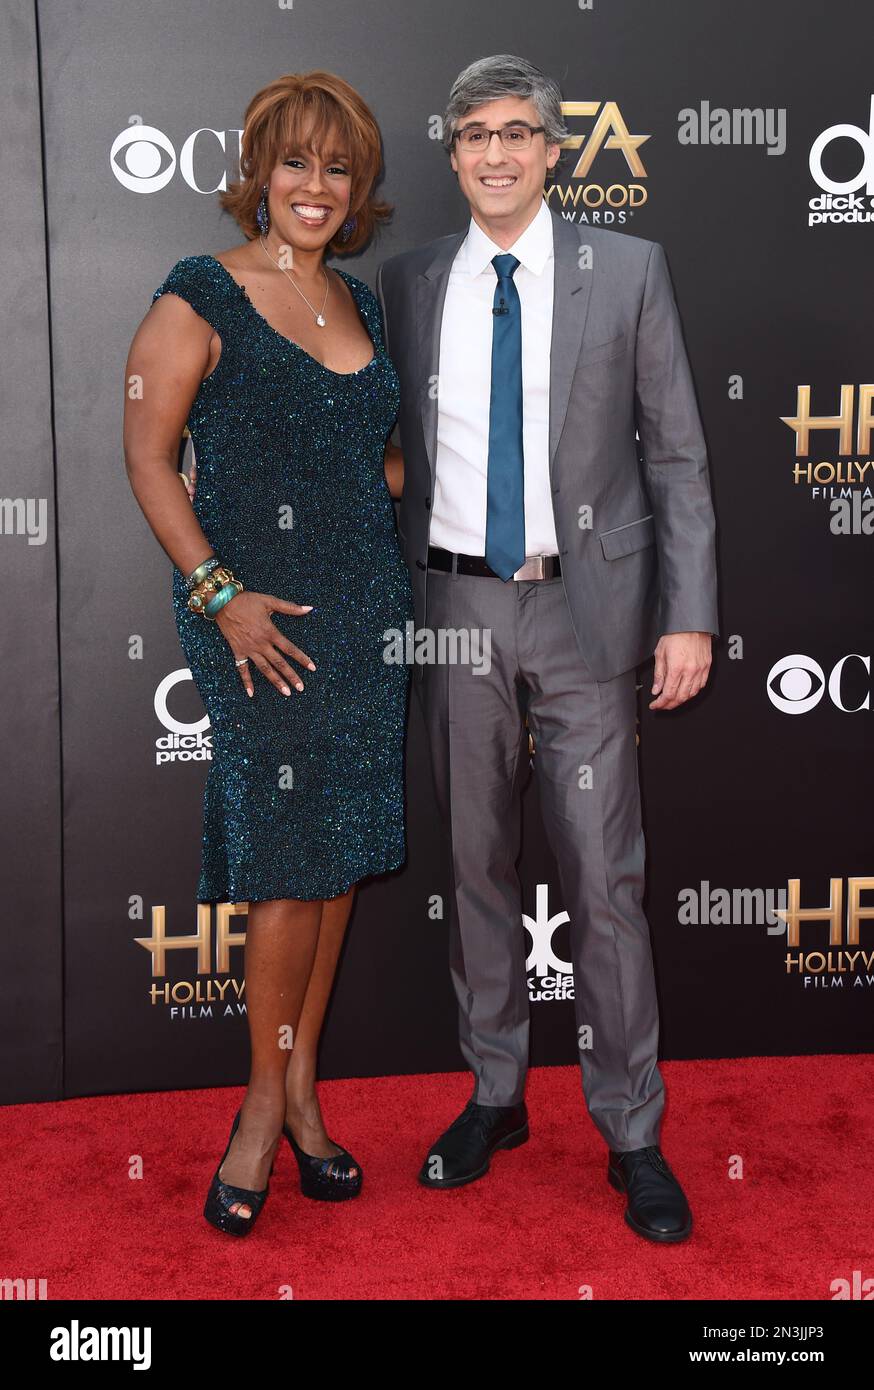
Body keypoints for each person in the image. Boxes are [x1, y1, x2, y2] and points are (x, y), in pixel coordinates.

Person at [376, 54, 718, 1243]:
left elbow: (674, 453)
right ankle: (495, 1093)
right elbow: (387, 446)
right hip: (456, 608)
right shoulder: (408, 281)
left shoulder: (626, 270)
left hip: (588, 617)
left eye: (519, 132)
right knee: (472, 864)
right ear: (454, 148)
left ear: (554, 149)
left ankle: (632, 1130)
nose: (497, 154)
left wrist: (686, 612)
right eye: (476, 134)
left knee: (603, 876)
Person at [123, 71, 412, 1235]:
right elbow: (148, 458)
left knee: (335, 859)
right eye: (295, 163)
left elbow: (374, 462)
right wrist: (220, 591)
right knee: (289, 862)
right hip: (256, 623)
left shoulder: (362, 304)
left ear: (357, 192)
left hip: (362, 616)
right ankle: (256, 1108)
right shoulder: (202, 293)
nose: (315, 186)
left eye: (337, 169)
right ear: (257, 174)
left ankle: (299, 1092)